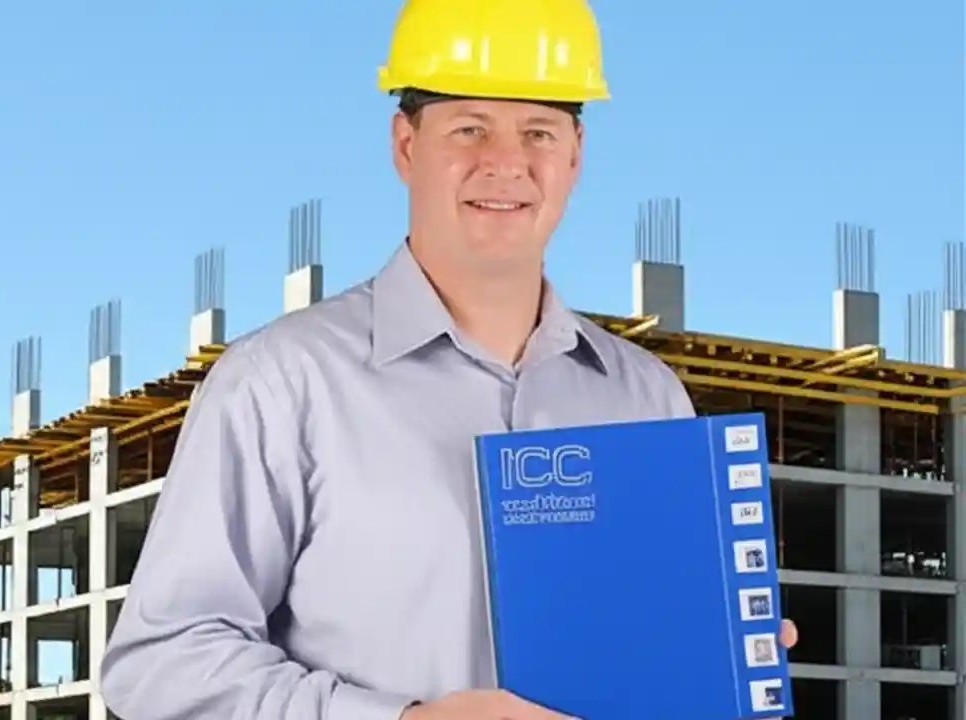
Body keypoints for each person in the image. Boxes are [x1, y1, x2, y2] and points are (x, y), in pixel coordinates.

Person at [100, 1, 798, 718]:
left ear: (576, 153)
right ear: (405, 144)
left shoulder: (646, 395)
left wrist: (716, 657)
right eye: (470, 129)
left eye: (538, 131)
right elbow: (161, 663)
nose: (507, 164)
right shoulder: (283, 383)